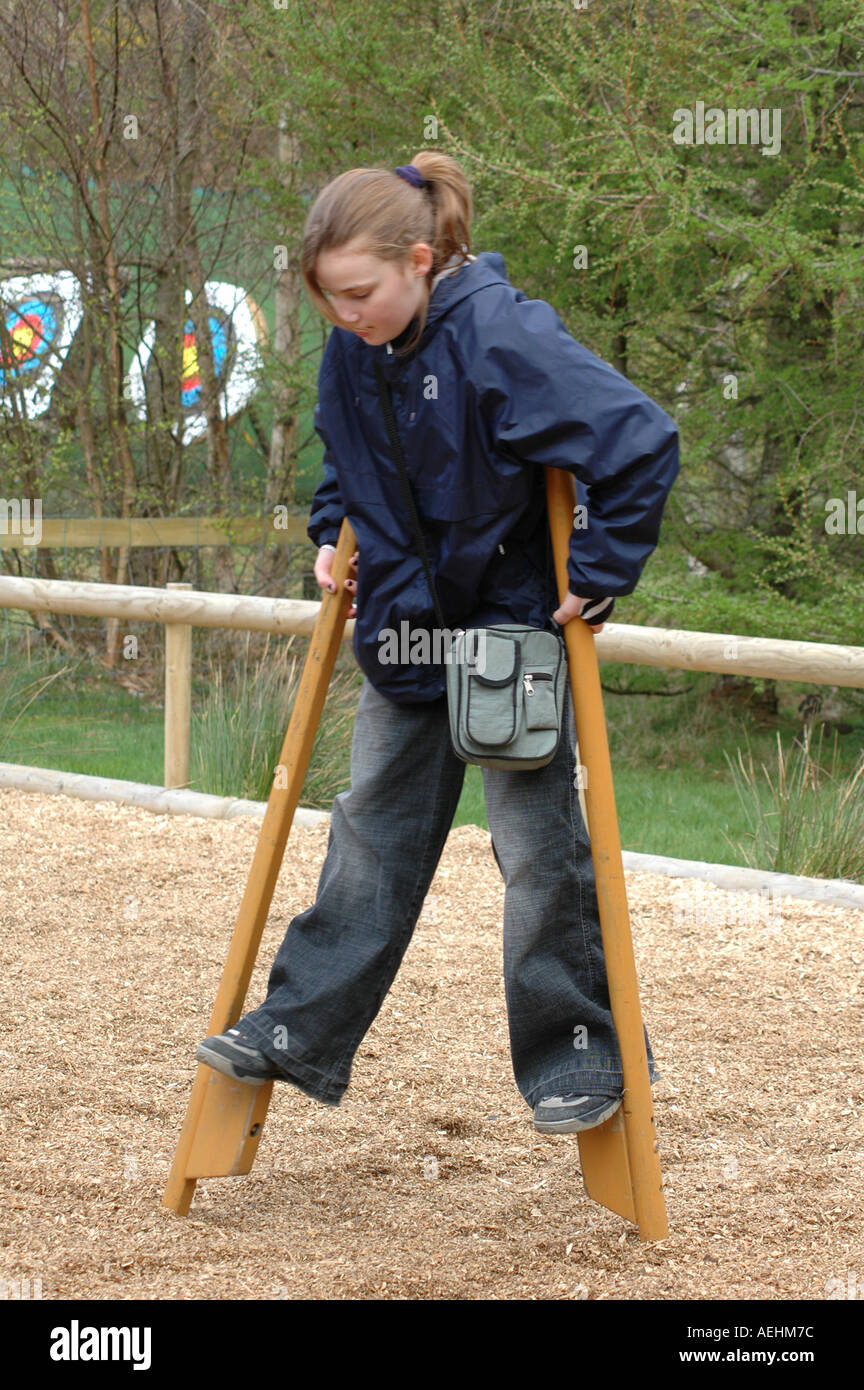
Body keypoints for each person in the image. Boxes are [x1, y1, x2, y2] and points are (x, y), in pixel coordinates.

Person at [196, 153, 680, 1134]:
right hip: (407, 628)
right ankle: (298, 1025)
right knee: (369, 829)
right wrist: (333, 537)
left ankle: (577, 1056)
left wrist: (598, 569)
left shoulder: (501, 333)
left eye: (360, 294)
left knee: (538, 847)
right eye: (328, 300)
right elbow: (351, 457)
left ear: (421, 259)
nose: (345, 316)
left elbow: (639, 442)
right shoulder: (355, 347)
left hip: (507, 631)